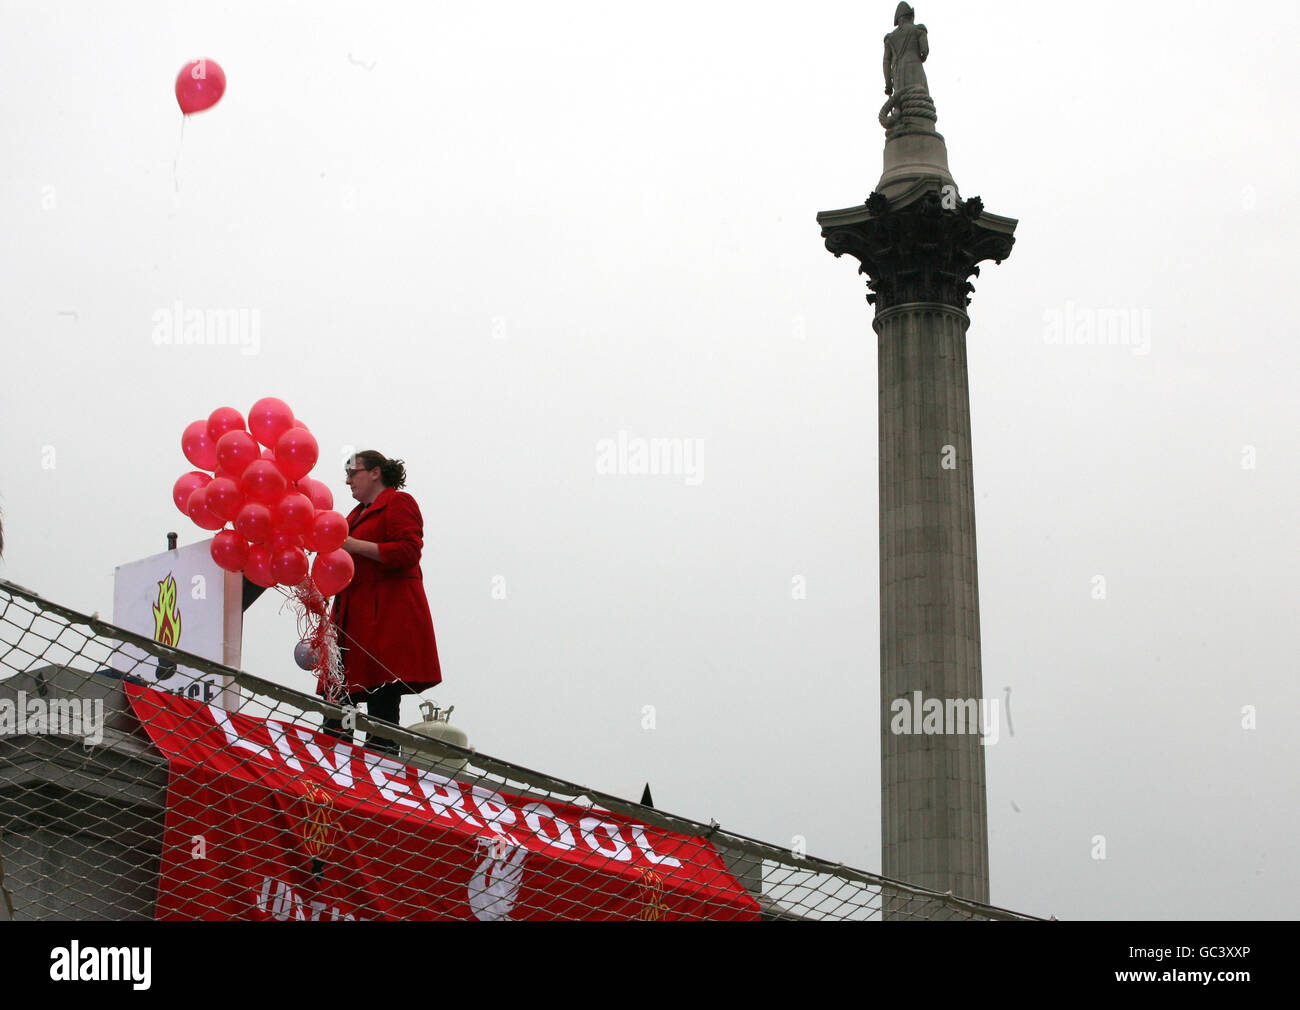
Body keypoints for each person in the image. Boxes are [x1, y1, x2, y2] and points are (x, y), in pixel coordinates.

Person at [323, 451, 441, 754]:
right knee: (338, 703)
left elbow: (408, 551)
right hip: (352, 623)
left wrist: (349, 544)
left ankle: (379, 778)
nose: (348, 481)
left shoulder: (399, 503)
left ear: (375, 472)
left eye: (353, 472)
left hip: (384, 621)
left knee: (381, 700)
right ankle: (337, 767)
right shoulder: (352, 516)